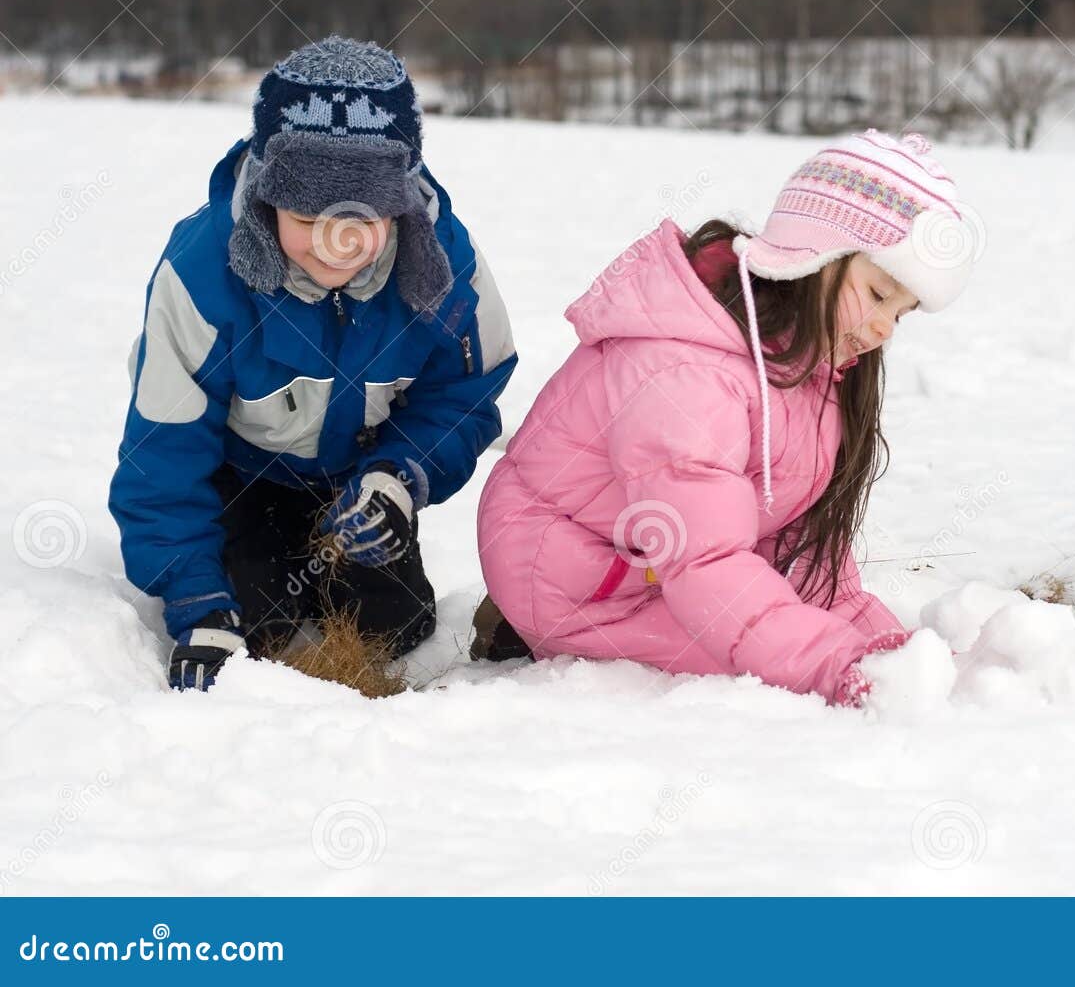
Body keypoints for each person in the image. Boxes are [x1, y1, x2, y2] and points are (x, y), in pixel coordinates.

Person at [475, 130, 977, 704]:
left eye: (903, 313)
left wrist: (888, 648)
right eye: (878, 293)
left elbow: (798, 538)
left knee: (787, 640)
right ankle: (522, 628)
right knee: (760, 669)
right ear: (814, 255)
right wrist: (840, 667)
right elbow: (705, 560)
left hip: (661, 565)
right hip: (578, 579)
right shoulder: (689, 376)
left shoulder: (809, 358)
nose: (886, 327)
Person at [110, 36, 517, 690]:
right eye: (306, 215)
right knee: (252, 622)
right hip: (242, 478)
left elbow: (465, 394)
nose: (337, 243)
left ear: (400, 199)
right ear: (269, 197)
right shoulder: (200, 274)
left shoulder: (444, 266)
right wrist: (197, 602)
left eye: (362, 216)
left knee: (397, 624)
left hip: (359, 477)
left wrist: (399, 476)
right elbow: (163, 451)